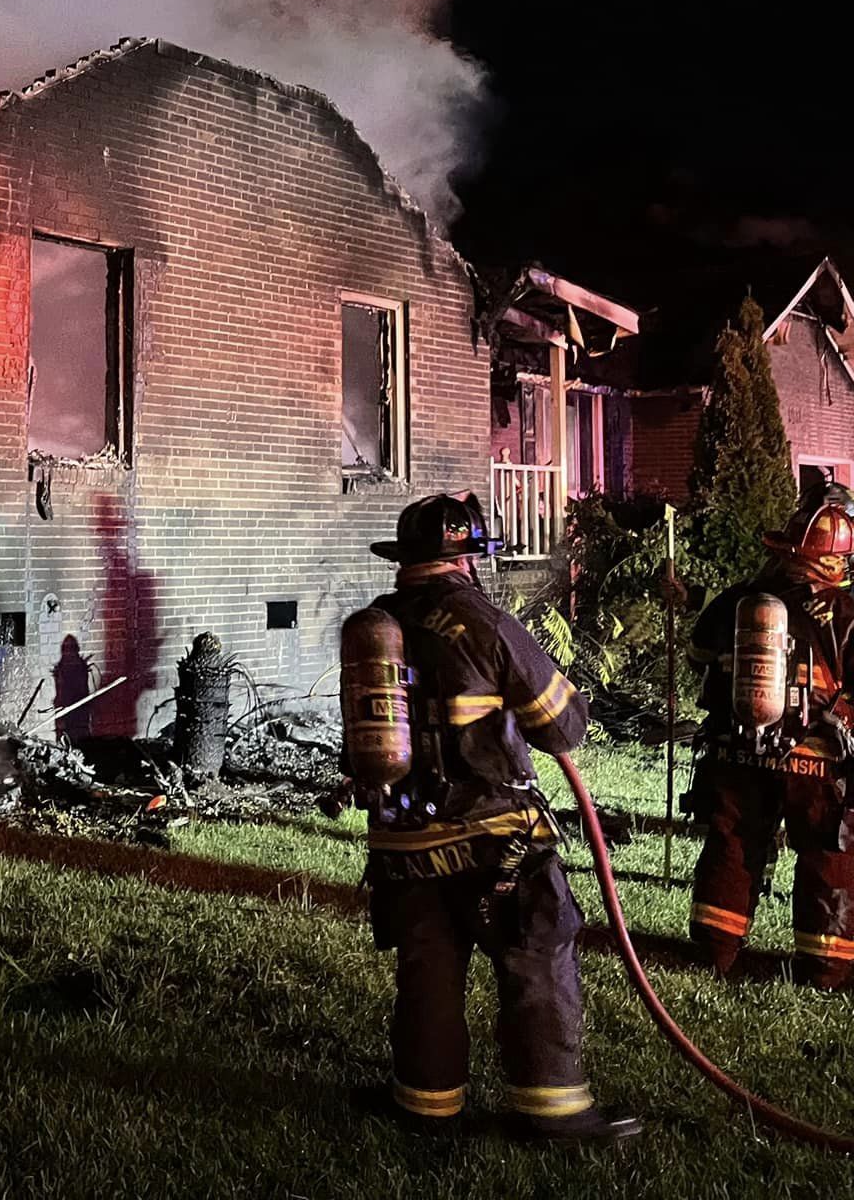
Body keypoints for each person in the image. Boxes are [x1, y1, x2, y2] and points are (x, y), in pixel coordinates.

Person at [350, 493, 640, 1145]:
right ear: (471, 559)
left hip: (402, 840)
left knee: (429, 966)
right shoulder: (481, 620)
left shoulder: (377, 624)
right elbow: (562, 725)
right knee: (536, 950)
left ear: (408, 561)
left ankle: (425, 1106)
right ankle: (554, 1111)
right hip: (492, 840)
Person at [685, 483, 854, 988]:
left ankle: (715, 953)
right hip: (816, 765)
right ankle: (826, 969)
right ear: (837, 562)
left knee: (733, 843)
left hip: (736, 755)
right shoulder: (846, 614)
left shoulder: (739, 600)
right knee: (827, 854)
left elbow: (697, 657)